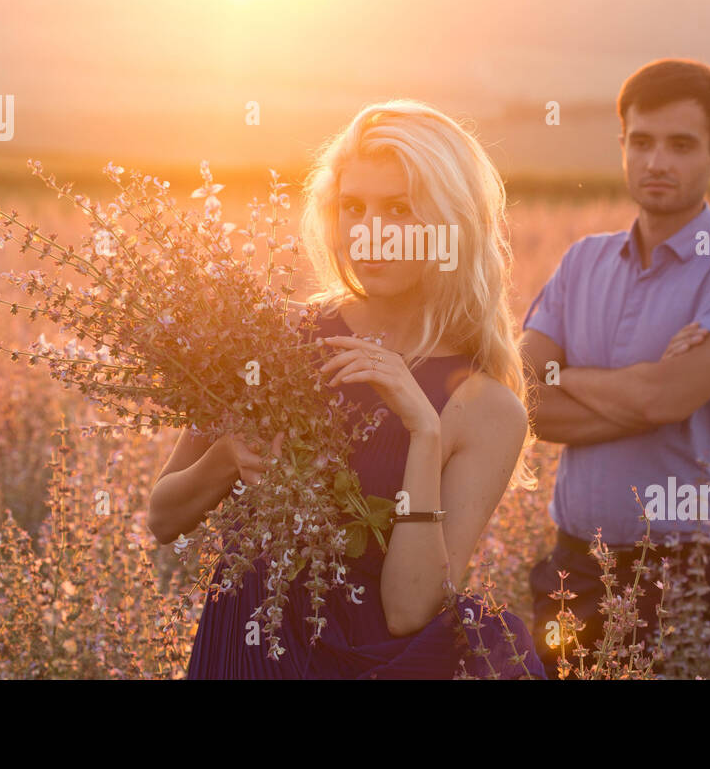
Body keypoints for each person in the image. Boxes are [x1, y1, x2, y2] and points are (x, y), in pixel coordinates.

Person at [149, 100, 546, 679]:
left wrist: (423, 432)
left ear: (450, 226)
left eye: (400, 209)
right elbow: (163, 518)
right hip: (249, 649)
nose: (370, 231)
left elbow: (410, 611)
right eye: (352, 207)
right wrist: (228, 458)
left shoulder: (486, 407)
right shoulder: (269, 339)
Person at [521, 59, 710, 677]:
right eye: (641, 142)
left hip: (684, 570)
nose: (656, 161)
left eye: (681, 145)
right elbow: (525, 399)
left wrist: (573, 378)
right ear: (622, 146)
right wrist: (644, 389)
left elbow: (662, 402)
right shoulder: (582, 261)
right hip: (574, 566)